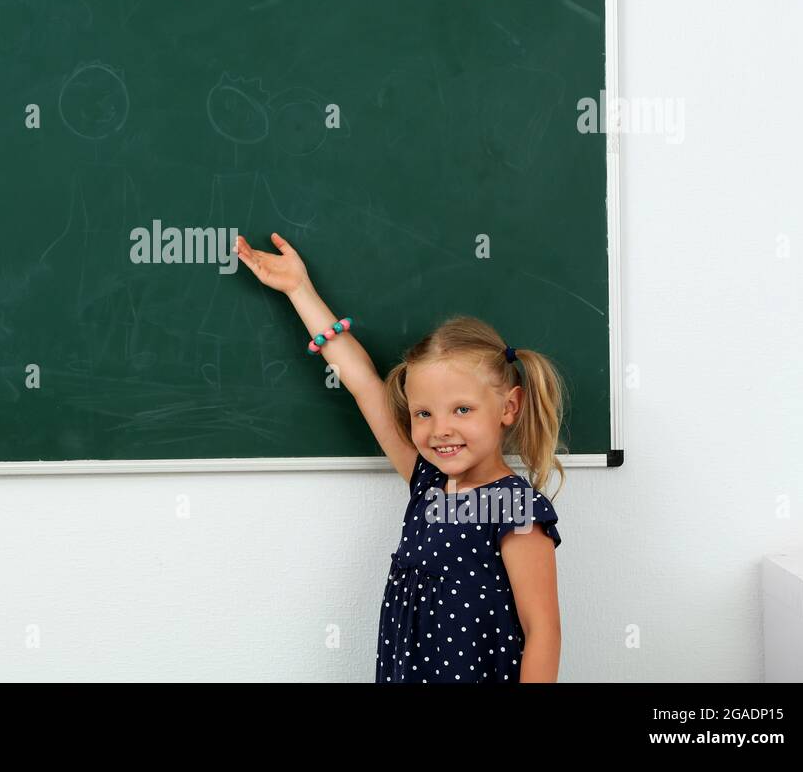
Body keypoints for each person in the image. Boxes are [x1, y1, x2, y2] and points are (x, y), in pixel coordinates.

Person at [233, 232, 565, 682]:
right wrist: (299, 290)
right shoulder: (426, 479)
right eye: (423, 413)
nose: (440, 428)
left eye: (462, 410)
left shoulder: (515, 506)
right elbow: (363, 382)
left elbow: (542, 630)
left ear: (509, 407)